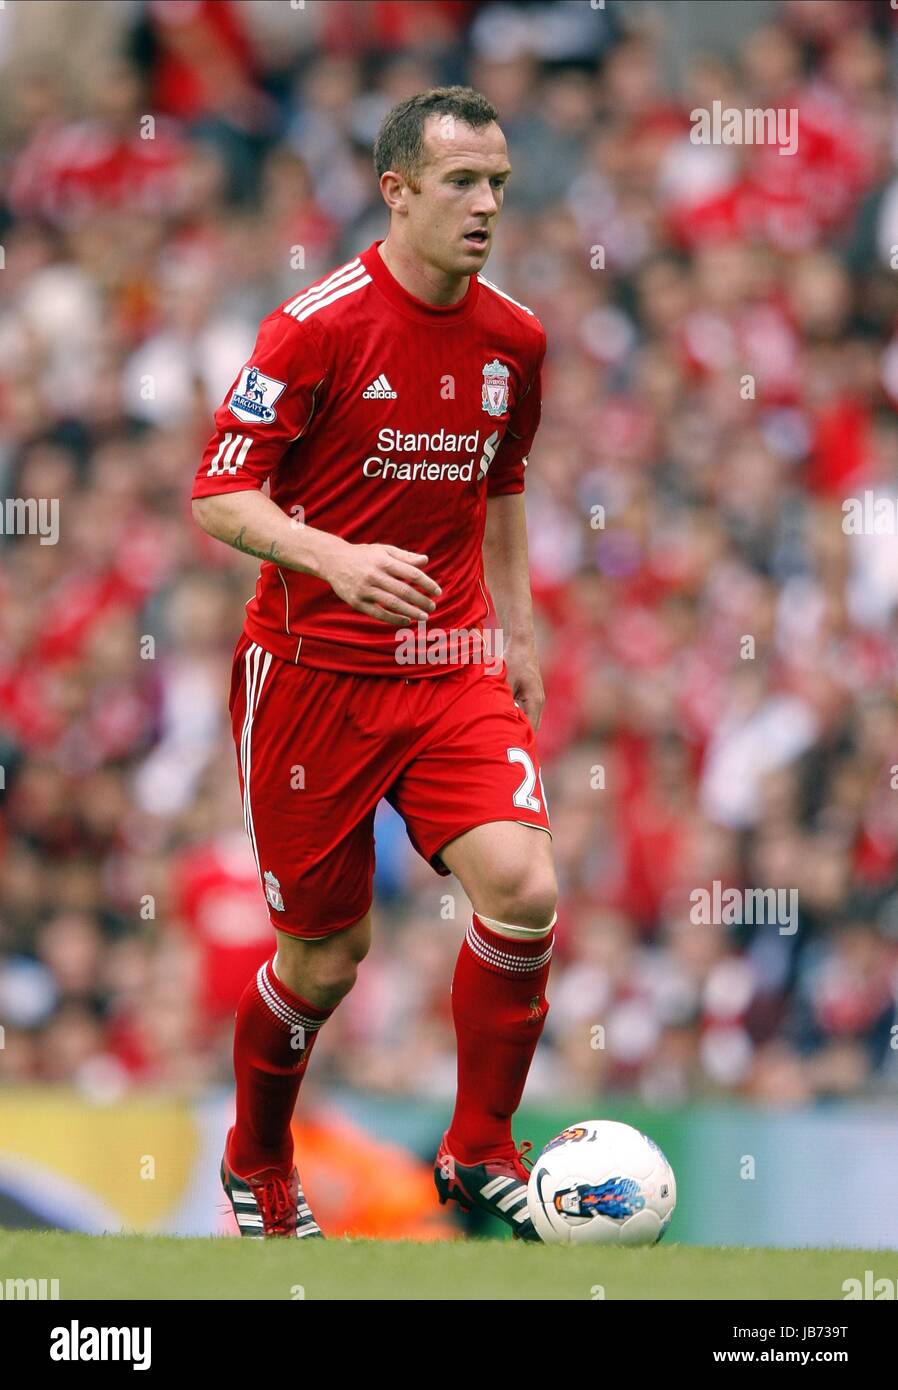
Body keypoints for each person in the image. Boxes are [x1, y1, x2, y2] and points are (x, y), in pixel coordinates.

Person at [191, 86, 557, 1240]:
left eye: (497, 181)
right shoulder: (316, 325)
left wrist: (521, 624)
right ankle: (256, 1159)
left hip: (447, 663)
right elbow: (217, 492)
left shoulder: (516, 337)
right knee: (325, 958)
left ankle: (481, 1145)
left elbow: (502, 484)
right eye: (461, 181)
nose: (486, 203)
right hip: (309, 673)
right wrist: (328, 559)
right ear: (395, 189)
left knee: (525, 890)